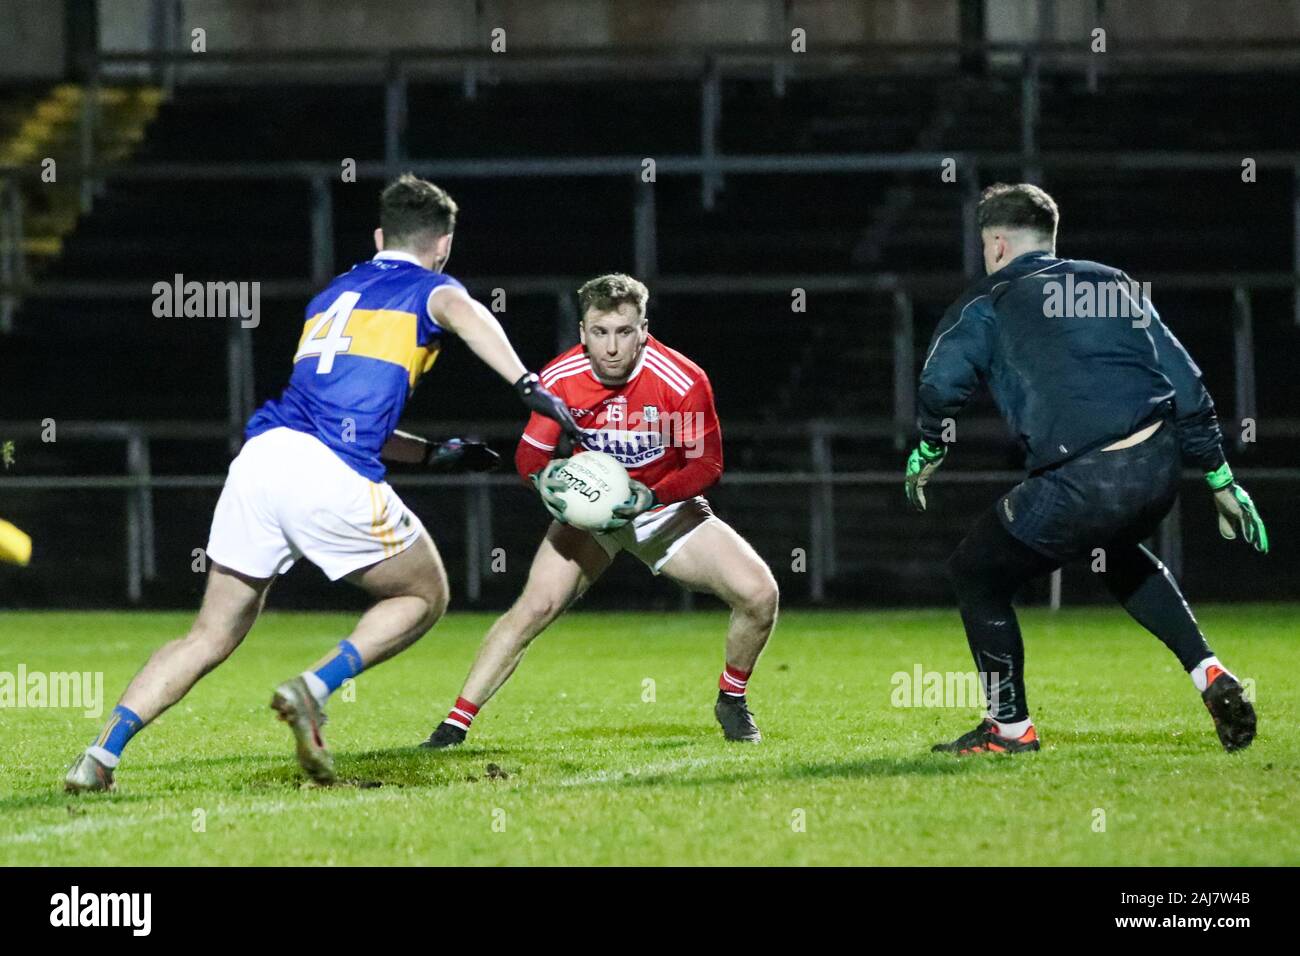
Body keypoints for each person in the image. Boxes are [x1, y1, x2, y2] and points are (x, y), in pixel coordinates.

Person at [64, 174, 583, 791]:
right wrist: (528, 386)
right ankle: (314, 687)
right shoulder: (431, 287)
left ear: (377, 235)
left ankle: (100, 756)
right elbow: (463, 313)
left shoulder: (335, 295)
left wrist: (439, 456)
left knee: (208, 634)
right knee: (423, 595)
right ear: (442, 244)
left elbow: (343, 413)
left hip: (261, 460)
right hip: (326, 472)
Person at [908, 182, 1266, 756]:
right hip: (1157, 464)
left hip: (1085, 477)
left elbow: (939, 383)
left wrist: (928, 448)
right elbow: (1186, 380)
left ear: (996, 244)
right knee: (1114, 552)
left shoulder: (988, 300)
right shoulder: (1112, 282)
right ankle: (1210, 674)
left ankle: (1008, 730)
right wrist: (1220, 478)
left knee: (975, 572)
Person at [421, 273, 779, 747]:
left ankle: (731, 698)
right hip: (589, 512)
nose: (611, 347)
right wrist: (550, 490)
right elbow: (531, 459)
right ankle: (452, 727)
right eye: (600, 332)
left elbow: (707, 463)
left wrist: (650, 496)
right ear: (583, 332)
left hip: (661, 508)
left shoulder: (683, 379)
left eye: (624, 332)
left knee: (760, 593)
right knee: (534, 608)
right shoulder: (558, 380)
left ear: (643, 330)